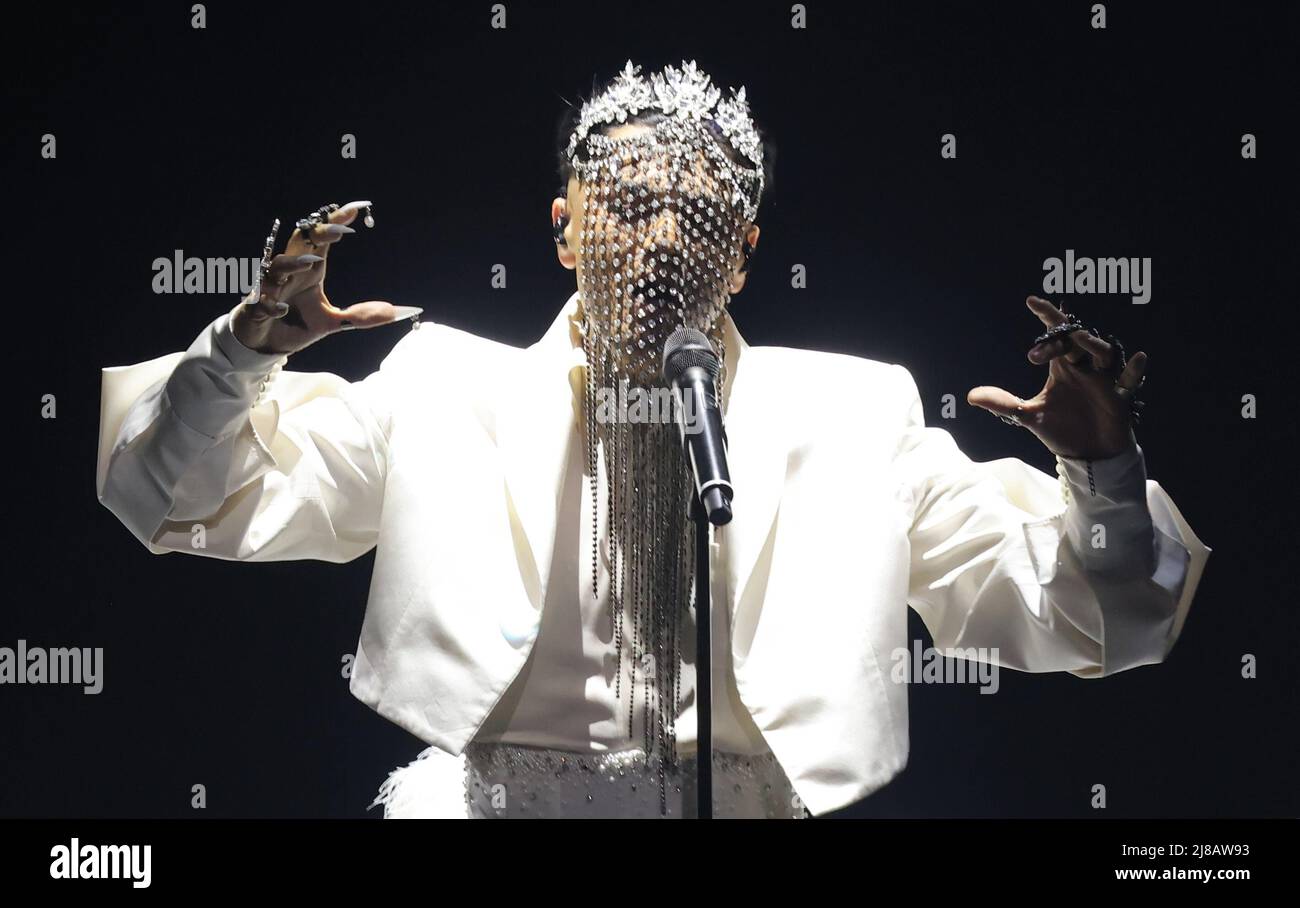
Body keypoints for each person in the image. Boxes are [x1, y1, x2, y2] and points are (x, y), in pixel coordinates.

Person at [96, 60, 1209, 819]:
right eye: (627, 204)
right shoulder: (445, 386)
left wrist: (1101, 470)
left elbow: (1097, 614)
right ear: (567, 228)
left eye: (702, 215)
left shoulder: (854, 419)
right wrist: (243, 354)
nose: (663, 236)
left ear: (744, 252)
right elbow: (177, 493)